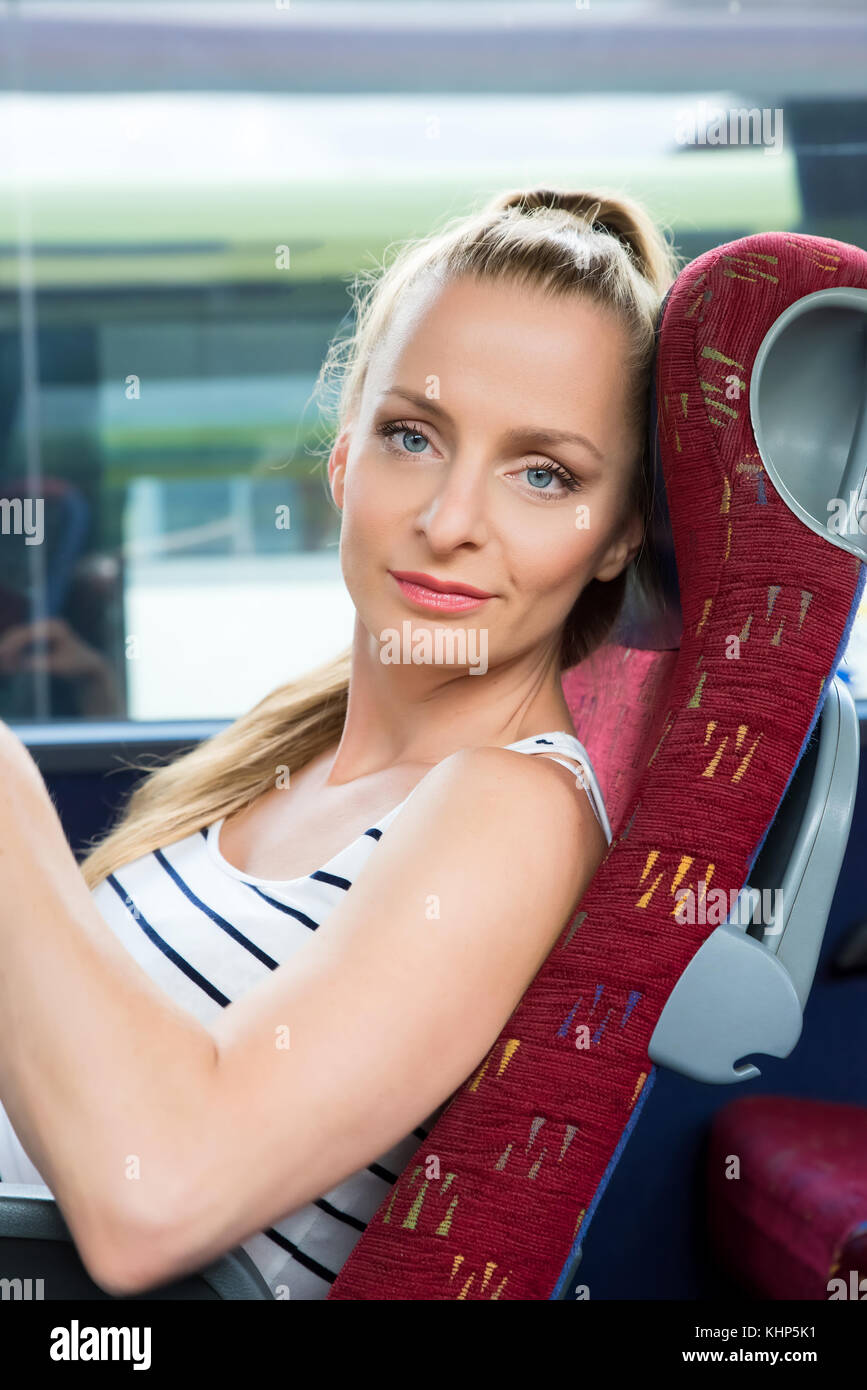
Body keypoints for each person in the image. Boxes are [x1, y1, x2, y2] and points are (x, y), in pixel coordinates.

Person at [0, 186, 681, 1299]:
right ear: (343, 460)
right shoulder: (289, 748)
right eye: (414, 435)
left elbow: (151, 1201)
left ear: (613, 541)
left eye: (542, 472)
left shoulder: (511, 810)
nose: (452, 517)